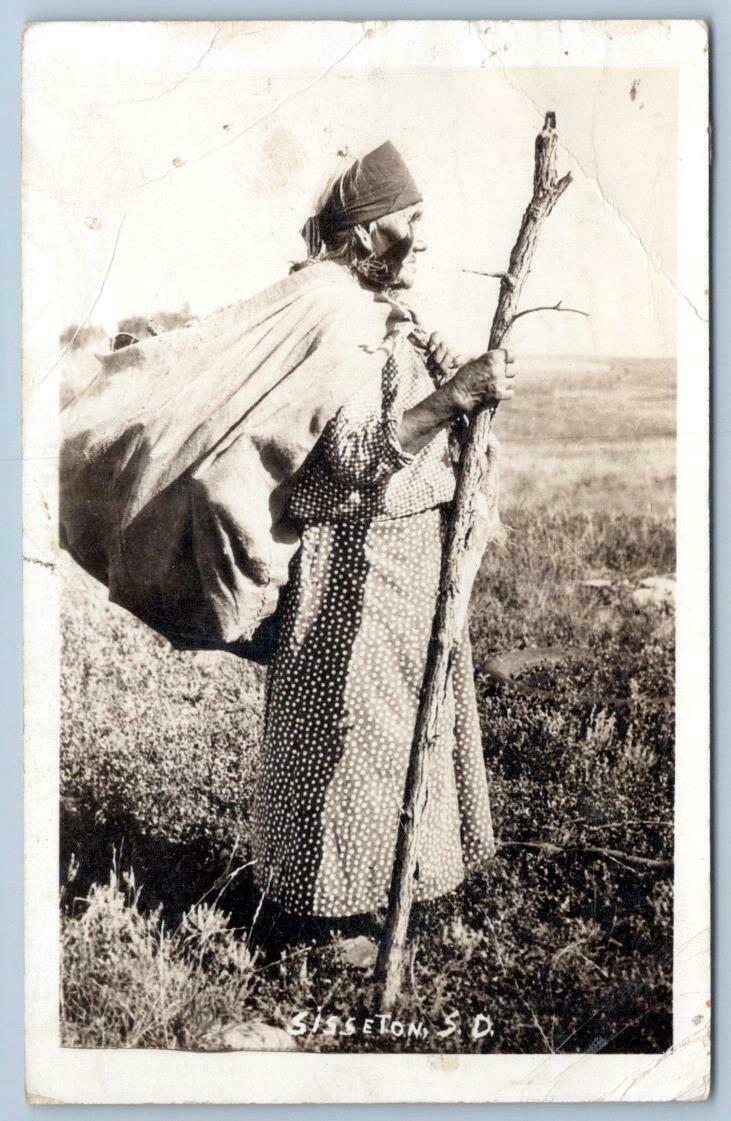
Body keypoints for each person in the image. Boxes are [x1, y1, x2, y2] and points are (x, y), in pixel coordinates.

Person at [252, 141, 516, 938]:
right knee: (349, 740)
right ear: (367, 233)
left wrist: (455, 382)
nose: (420, 236)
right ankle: (335, 918)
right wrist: (453, 394)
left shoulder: (380, 316)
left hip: (402, 559)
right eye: (408, 219)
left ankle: (394, 893)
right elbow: (360, 454)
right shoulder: (341, 322)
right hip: (353, 568)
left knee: (398, 734)